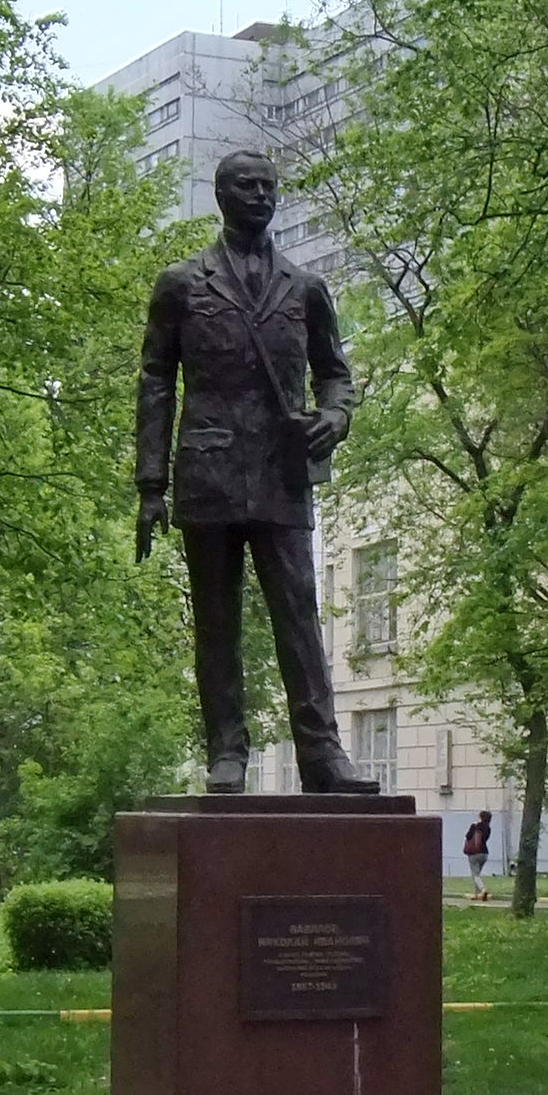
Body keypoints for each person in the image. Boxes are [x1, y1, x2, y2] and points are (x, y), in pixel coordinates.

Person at [134, 151, 378, 795]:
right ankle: (227, 753)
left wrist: (336, 416)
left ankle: (322, 756)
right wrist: (150, 486)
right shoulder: (182, 284)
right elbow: (156, 381)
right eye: (248, 186)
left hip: (281, 474)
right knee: (218, 622)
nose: (262, 196)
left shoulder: (305, 287)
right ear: (220, 194)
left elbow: (336, 374)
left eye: (270, 186)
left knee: (299, 614)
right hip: (208, 472)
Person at [463, 809, 493, 900]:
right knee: (477, 874)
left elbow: (468, 836)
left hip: (474, 853)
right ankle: (476, 894)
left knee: (475, 875)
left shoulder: (475, 826)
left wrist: (474, 825)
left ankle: (483, 889)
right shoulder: (488, 828)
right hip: (484, 853)